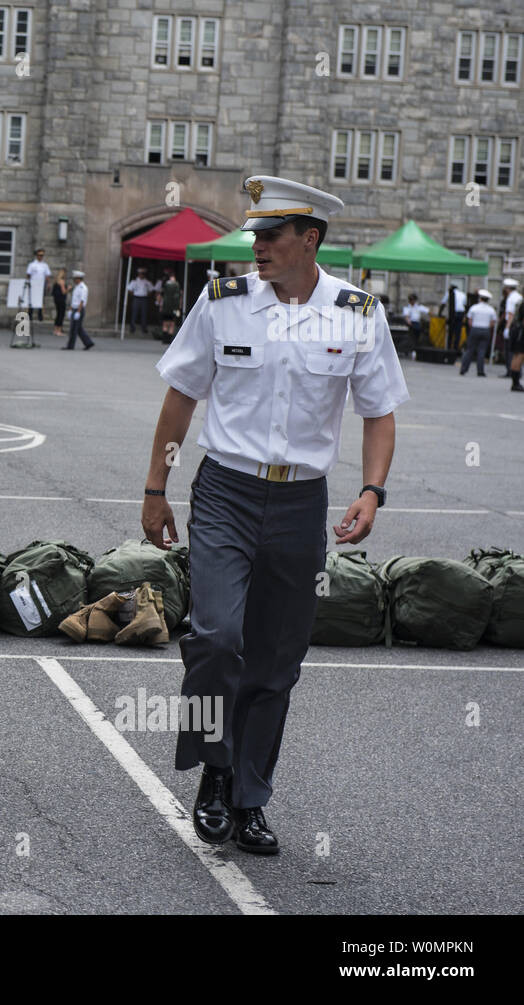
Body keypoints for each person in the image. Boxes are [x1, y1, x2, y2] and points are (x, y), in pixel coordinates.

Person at [142, 176, 408, 855]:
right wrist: (155, 487)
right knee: (217, 637)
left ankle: (250, 797)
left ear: (309, 239)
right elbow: (181, 400)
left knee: (276, 659)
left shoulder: (356, 312)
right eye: (254, 233)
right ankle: (213, 769)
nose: (254, 244)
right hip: (226, 490)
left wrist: (372, 490)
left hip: (300, 502)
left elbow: (379, 413)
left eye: (270, 234)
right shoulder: (223, 301)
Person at [460, 289, 496, 377]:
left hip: (475, 329)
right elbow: (492, 322)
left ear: (480, 298)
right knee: (482, 351)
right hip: (485, 329)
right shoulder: (491, 310)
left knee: (470, 350)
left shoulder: (474, 307)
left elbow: (470, 320)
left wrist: (473, 328)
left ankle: (464, 369)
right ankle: (480, 371)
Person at [502, 278, 523, 390]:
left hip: (515, 329)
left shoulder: (515, 299)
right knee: (519, 355)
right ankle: (516, 381)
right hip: (520, 331)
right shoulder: (519, 299)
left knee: (515, 355)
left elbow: (511, 315)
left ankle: (514, 379)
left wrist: (507, 328)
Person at [64, 269, 92, 349]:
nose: (74, 280)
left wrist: (78, 312)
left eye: (75, 278)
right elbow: (74, 300)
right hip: (75, 309)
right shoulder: (77, 287)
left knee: (73, 329)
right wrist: (70, 309)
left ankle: (70, 346)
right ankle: (88, 343)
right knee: (78, 328)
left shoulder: (83, 288)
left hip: (79, 310)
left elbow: (82, 301)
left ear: (79, 278)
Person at [439, 283, 467, 353]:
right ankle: (455, 348)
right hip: (461, 313)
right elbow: (464, 305)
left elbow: (443, 303)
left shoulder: (449, 293)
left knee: (451, 330)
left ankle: (449, 347)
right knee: (458, 332)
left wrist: (440, 313)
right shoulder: (462, 294)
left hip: (453, 313)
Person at [24, 248, 50, 321]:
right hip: (33, 285)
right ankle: (30, 315)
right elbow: (28, 275)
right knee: (31, 300)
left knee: (41, 301)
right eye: (39, 255)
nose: (40, 257)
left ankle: (40, 316)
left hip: (41, 285)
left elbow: (47, 275)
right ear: (36, 255)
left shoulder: (45, 265)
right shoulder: (32, 265)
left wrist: (48, 284)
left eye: (42, 255)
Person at [126, 266, 152, 334]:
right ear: (138, 274)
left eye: (143, 273)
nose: (142, 275)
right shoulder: (134, 281)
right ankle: (132, 327)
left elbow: (151, 290)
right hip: (136, 298)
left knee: (144, 313)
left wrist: (147, 295)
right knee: (134, 313)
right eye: (140, 273)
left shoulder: (147, 282)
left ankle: (144, 327)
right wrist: (133, 295)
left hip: (144, 298)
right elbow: (129, 289)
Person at [159, 267, 182, 341]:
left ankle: (164, 338)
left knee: (165, 322)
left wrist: (160, 305)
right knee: (172, 323)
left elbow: (161, 296)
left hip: (165, 306)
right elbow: (180, 296)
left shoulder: (165, 284)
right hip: (175, 307)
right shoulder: (177, 285)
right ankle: (169, 339)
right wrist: (179, 306)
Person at [51, 267, 67, 339]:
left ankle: (55, 330)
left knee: (58, 314)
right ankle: (59, 331)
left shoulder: (56, 281)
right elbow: (64, 292)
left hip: (56, 300)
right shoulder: (62, 281)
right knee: (61, 314)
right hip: (61, 300)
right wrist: (69, 288)